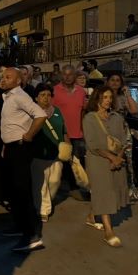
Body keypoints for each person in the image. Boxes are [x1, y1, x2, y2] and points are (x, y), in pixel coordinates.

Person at [0, 67, 47, 252]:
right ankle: (20, 226)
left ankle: (32, 235)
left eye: (8, 77)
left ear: (18, 81)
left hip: (20, 148)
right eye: (3, 76)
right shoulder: (9, 97)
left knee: (22, 191)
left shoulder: (20, 96)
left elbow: (40, 115)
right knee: (14, 191)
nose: (4, 79)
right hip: (11, 148)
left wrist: (29, 135)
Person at [82, 86, 129, 247]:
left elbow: (123, 140)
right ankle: (108, 231)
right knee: (104, 191)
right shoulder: (89, 118)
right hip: (98, 160)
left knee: (113, 188)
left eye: (110, 97)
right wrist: (111, 157)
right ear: (97, 99)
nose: (108, 100)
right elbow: (92, 144)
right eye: (105, 97)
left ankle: (91, 215)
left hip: (116, 159)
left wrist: (118, 157)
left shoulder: (116, 117)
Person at [31, 83, 68, 223]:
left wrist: (67, 146)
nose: (46, 98)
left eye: (48, 95)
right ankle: (43, 210)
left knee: (55, 181)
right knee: (40, 184)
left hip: (57, 154)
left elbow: (64, 131)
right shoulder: (31, 113)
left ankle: (45, 203)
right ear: (36, 98)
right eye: (42, 95)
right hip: (38, 154)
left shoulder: (57, 111)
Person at [53, 65, 89, 201]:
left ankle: (76, 188)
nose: (67, 77)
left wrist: (83, 130)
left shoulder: (81, 91)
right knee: (62, 163)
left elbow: (82, 112)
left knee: (77, 163)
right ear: (61, 75)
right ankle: (70, 189)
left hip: (78, 134)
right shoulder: (55, 91)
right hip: (61, 134)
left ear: (75, 76)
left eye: (70, 74)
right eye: (65, 74)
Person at [107, 73, 138, 202]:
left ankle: (128, 191)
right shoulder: (103, 96)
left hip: (122, 130)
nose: (115, 83)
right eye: (112, 80)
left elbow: (134, 110)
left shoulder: (123, 97)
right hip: (107, 130)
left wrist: (128, 94)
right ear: (108, 82)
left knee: (127, 160)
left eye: (117, 80)